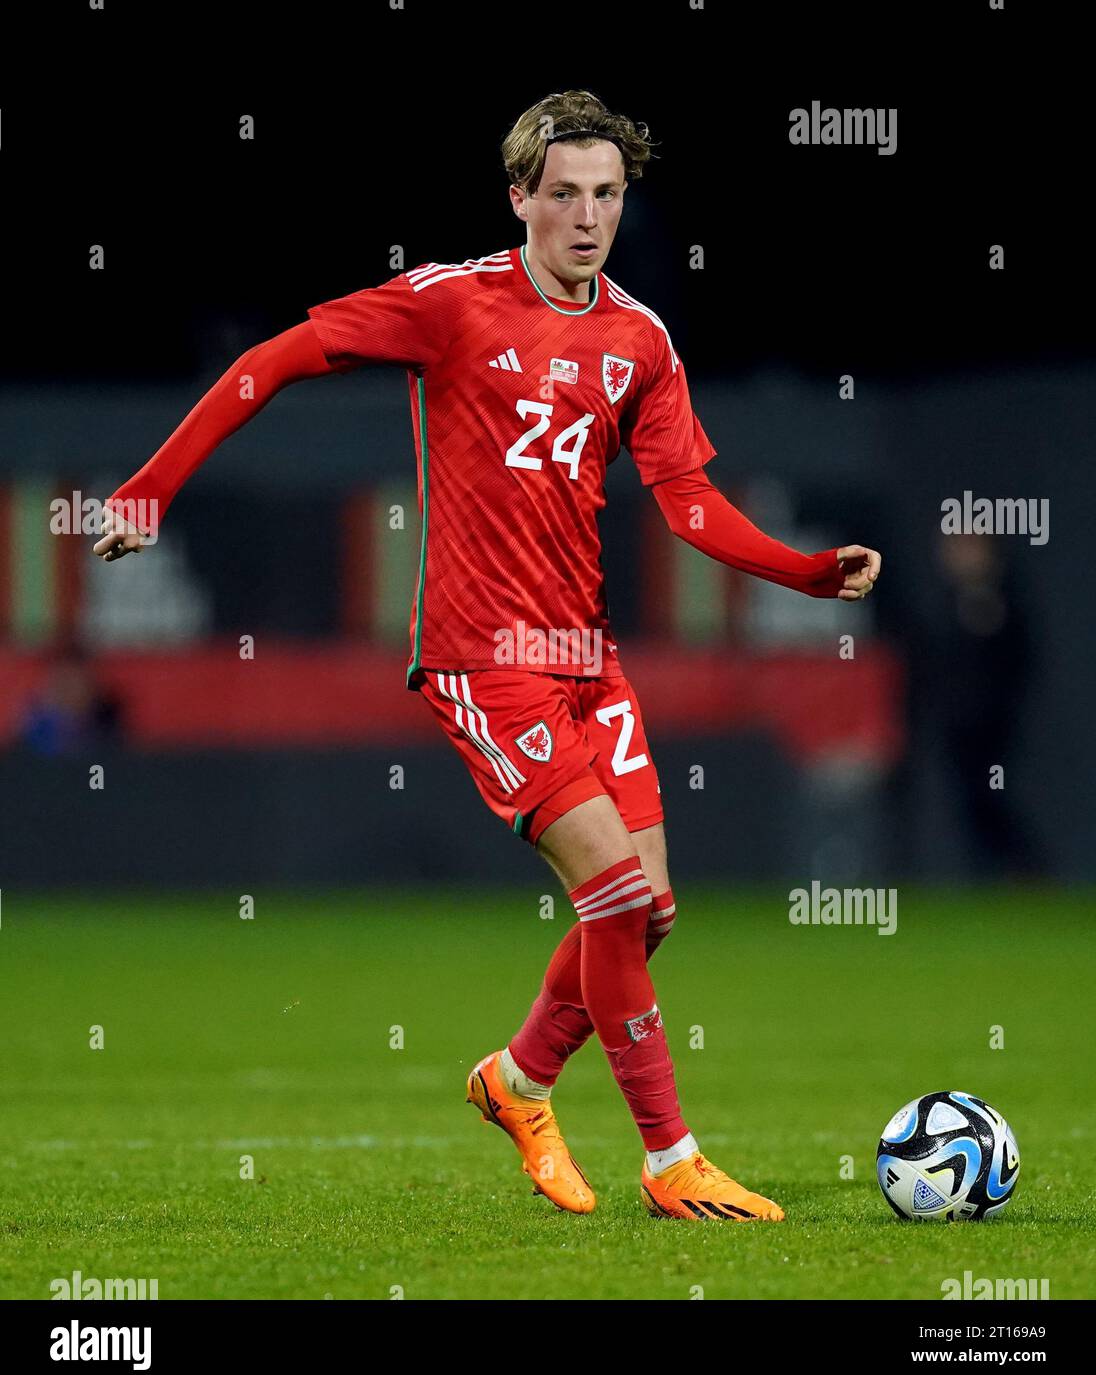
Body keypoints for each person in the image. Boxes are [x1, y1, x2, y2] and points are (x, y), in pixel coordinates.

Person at [95, 90, 880, 1222]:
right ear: (519, 197)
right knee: (610, 891)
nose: (585, 215)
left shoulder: (641, 341)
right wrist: (151, 488)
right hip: (484, 657)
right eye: (562, 193)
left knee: (648, 910)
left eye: (606, 194)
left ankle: (516, 1079)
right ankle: (670, 1161)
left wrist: (806, 572)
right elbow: (276, 356)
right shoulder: (451, 303)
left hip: (586, 657)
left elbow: (689, 503)